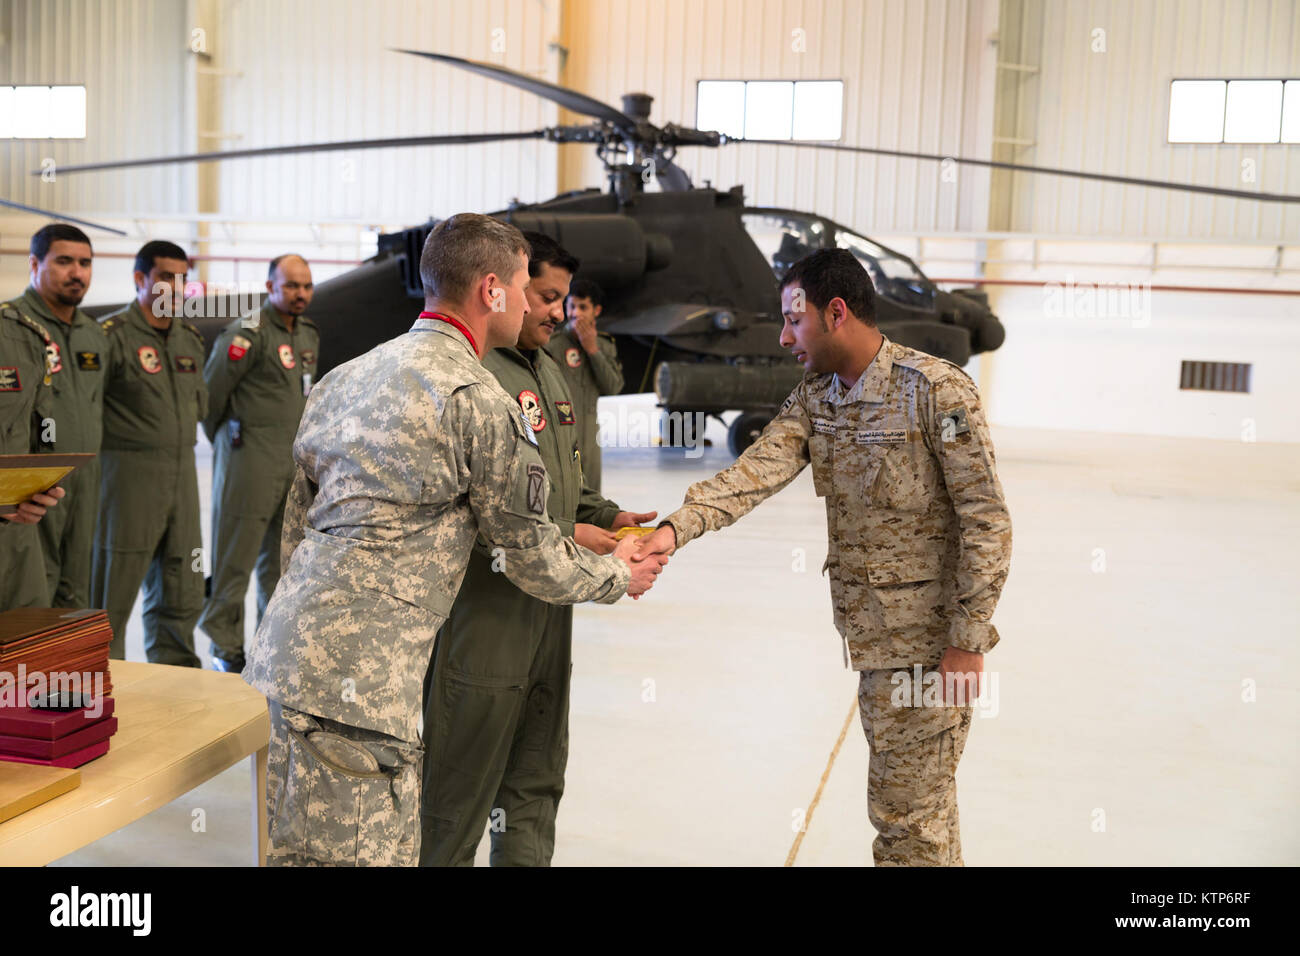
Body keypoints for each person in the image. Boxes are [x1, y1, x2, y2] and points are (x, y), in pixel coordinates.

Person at [243, 213, 666, 867]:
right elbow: (531, 554)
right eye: (527, 286)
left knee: (299, 851)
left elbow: (296, 530)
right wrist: (620, 575)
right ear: (490, 291)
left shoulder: (346, 377)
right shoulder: (477, 398)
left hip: (292, 662)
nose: (532, 302)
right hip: (365, 686)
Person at [635, 249, 1012, 867]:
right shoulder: (818, 398)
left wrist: (967, 641)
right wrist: (674, 530)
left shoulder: (936, 392)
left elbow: (987, 520)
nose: (784, 337)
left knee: (907, 821)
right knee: (919, 815)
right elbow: (754, 472)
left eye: (793, 319)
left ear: (836, 313)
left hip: (927, 651)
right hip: (871, 643)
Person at [420, 232, 656, 867]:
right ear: (503, 290)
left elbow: (564, 486)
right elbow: (480, 515)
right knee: (457, 793)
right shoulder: (470, 378)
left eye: (561, 298)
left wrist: (608, 516)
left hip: (551, 617)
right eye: (543, 295)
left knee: (535, 783)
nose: (553, 311)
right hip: (486, 616)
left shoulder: (549, 371)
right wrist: (578, 543)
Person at [198, 254, 320, 673]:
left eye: (306, 285)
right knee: (234, 561)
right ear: (270, 287)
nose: (300, 293)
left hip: (290, 466)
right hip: (247, 463)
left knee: (280, 563)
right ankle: (225, 649)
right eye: (291, 286)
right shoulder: (246, 334)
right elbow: (210, 398)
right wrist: (230, 442)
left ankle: (269, 647)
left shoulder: (308, 335)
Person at [93, 241, 208, 665]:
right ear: (140, 279)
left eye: (182, 278)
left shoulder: (189, 340)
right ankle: (99, 692)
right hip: (126, 478)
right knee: (109, 598)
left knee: (182, 588)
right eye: (165, 277)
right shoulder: (109, 338)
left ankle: (174, 686)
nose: (175, 288)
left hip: (182, 478)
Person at [10, 224, 103, 608]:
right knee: (33, 588)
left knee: (77, 586)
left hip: (83, 482)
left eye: (84, 263)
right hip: (29, 490)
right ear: (34, 263)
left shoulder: (94, 334)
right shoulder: (11, 327)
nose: (77, 272)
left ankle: (70, 667)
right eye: (64, 261)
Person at [0, 299, 66, 610]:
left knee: (25, 644)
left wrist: (40, 484)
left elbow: (43, 426)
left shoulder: (23, 336)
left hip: (17, 530)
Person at [544, 277, 623, 491]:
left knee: (592, 496)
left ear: (596, 311)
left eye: (583, 307)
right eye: (571, 306)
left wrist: (592, 350)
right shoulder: (552, 345)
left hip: (590, 437)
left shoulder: (604, 347)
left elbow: (613, 387)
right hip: (559, 434)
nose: (575, 313)